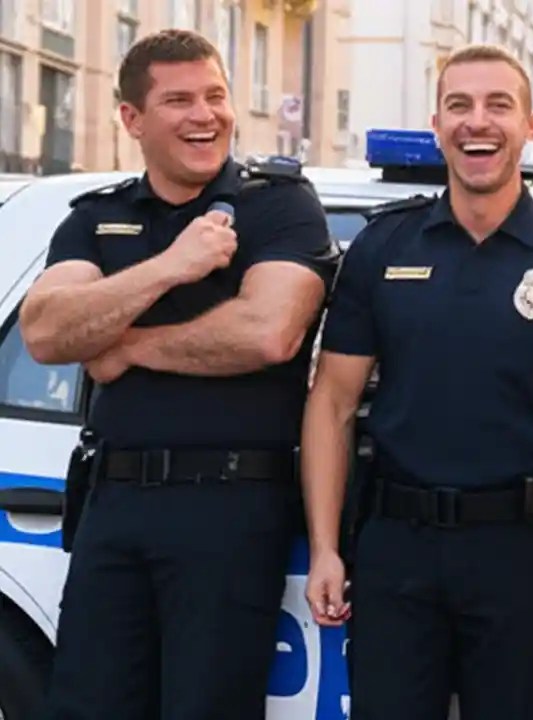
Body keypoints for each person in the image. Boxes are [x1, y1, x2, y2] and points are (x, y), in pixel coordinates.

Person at [300, 43, 533, 720]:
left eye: (497, 106)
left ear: (530, 124)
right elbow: (331, 403)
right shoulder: (385, 247)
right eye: (459, 105)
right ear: (437, 123)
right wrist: (326, 548)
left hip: (524, 557)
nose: (476, 122)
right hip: (396, 551)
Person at [18, 29, 337, 720]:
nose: (206, 114)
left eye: (216, 96)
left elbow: (268, 332)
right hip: (113, 506)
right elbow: (45, 332)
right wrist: (173, 267)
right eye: (179, 100)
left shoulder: (278, 205)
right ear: (132, 119)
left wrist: (125, 344)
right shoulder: (99, 216)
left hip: (229, 507)